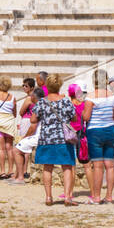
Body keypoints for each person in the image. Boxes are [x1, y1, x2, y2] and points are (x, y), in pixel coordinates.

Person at [27, 74, 79, 206]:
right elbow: (74, 118)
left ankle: (49, 197)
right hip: (63, 139)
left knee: (47, 167)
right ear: (59, 86)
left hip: (46, 138)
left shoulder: (42, 102)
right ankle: (67, 197)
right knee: (67, 167)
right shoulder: (66, 101)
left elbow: (33, 119)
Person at [83, 68, 114, 203]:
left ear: (94, 81)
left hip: (95, 131)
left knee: (98, 166)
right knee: (110, 165)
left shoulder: (91, 97)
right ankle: (109, 196)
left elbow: (86, 117)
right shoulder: (112, 96)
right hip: (110, 130)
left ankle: (97, 197)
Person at [0, 76, 20, 179]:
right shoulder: (12, 97)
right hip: (9, 124)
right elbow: (15, 113)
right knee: (9, 148)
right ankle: (11, 171)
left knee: (1, 149)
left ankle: (2, 171)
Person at [11, 77, 38, 183]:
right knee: (26, 148)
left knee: (22, 145)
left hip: (27, 120)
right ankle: (23, 171)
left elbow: (21, 112)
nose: (23, 87)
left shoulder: (29, 98)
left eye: (26, 86)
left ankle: (20, 172)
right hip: (31, 120)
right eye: (23, 85)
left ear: (31, 87)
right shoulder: (35, 98)